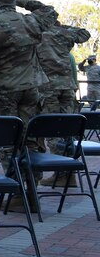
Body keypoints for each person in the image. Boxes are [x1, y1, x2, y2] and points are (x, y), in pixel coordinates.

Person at [0, 0, 58, 212]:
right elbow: (49, 10)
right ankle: (32, 191)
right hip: (32, 90)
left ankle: (17, 193)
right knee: (30, 141)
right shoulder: (30, 21)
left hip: (5, 91)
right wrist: (18, 2)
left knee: (5, 143)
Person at [37, 21, 91, 187]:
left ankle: (61, 174)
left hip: (49, 88)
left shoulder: (39, 37)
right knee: (69, 131)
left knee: (54, 131)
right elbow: (84, 33)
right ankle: (69, 173)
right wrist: (63, 29)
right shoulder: (66, 44)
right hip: (67, 88)